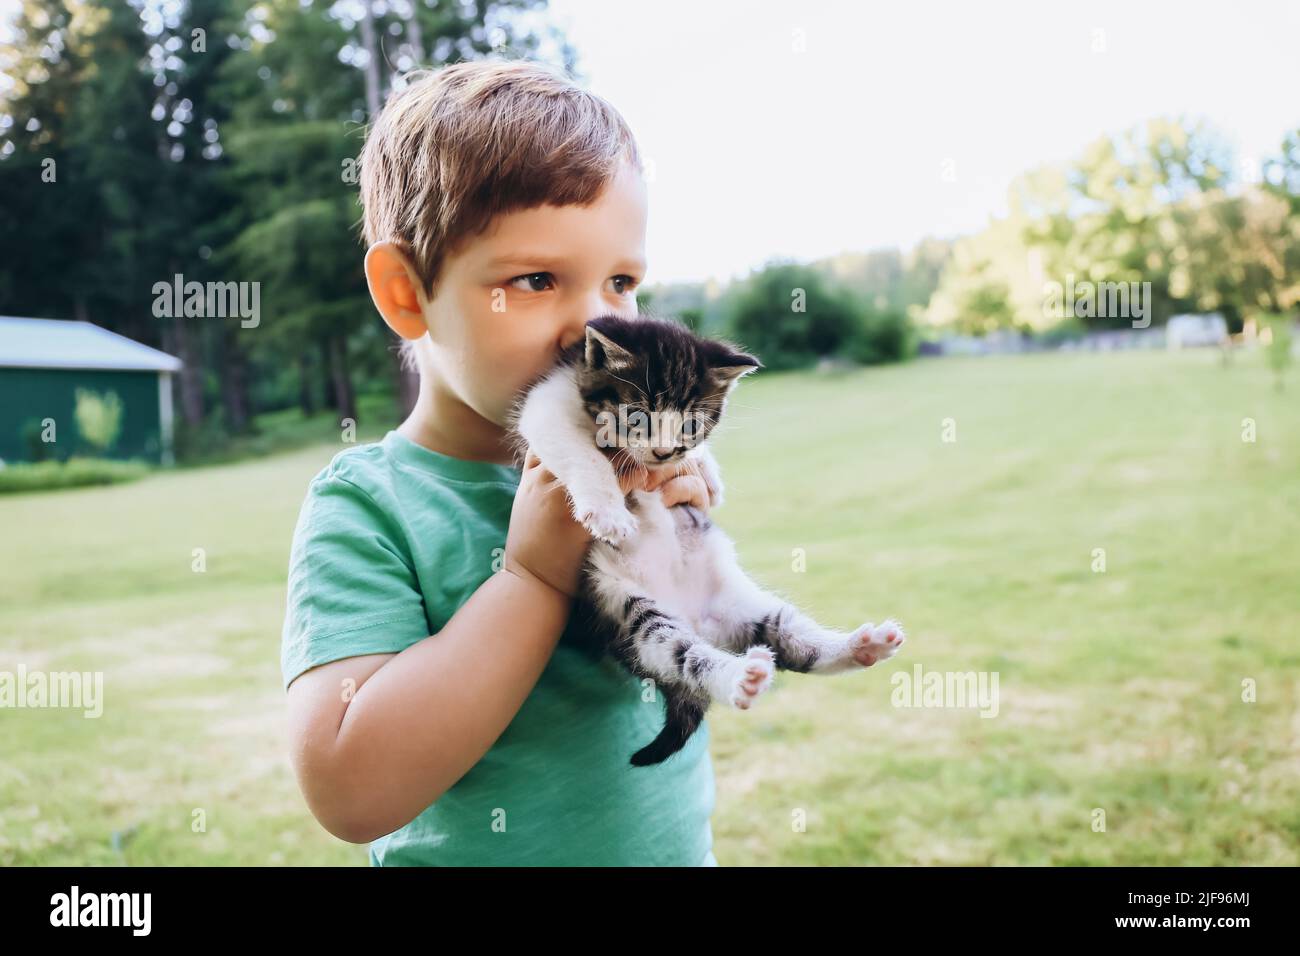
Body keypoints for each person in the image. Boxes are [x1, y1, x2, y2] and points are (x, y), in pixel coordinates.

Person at [281, 58, 719, 866]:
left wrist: (683, 541)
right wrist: (532, 579)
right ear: (408, 292)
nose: (598, 332)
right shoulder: (370, 507)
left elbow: (677, 658)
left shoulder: (627, 460)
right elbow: (348, 789)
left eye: (620, 281)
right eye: (536, 279)